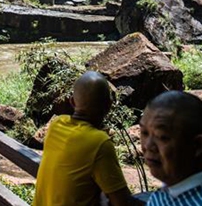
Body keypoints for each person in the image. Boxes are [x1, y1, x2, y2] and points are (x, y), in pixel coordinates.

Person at [33, 71, 142, 206]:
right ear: (109, 106)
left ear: (72, 101)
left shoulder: (56, 125)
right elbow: (122, 201)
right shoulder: (99, 142)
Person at [140, 91, 202, 206]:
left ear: (197, 145)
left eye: (162, 137)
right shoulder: (181, 180)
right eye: (144, 133)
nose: (148, 146)